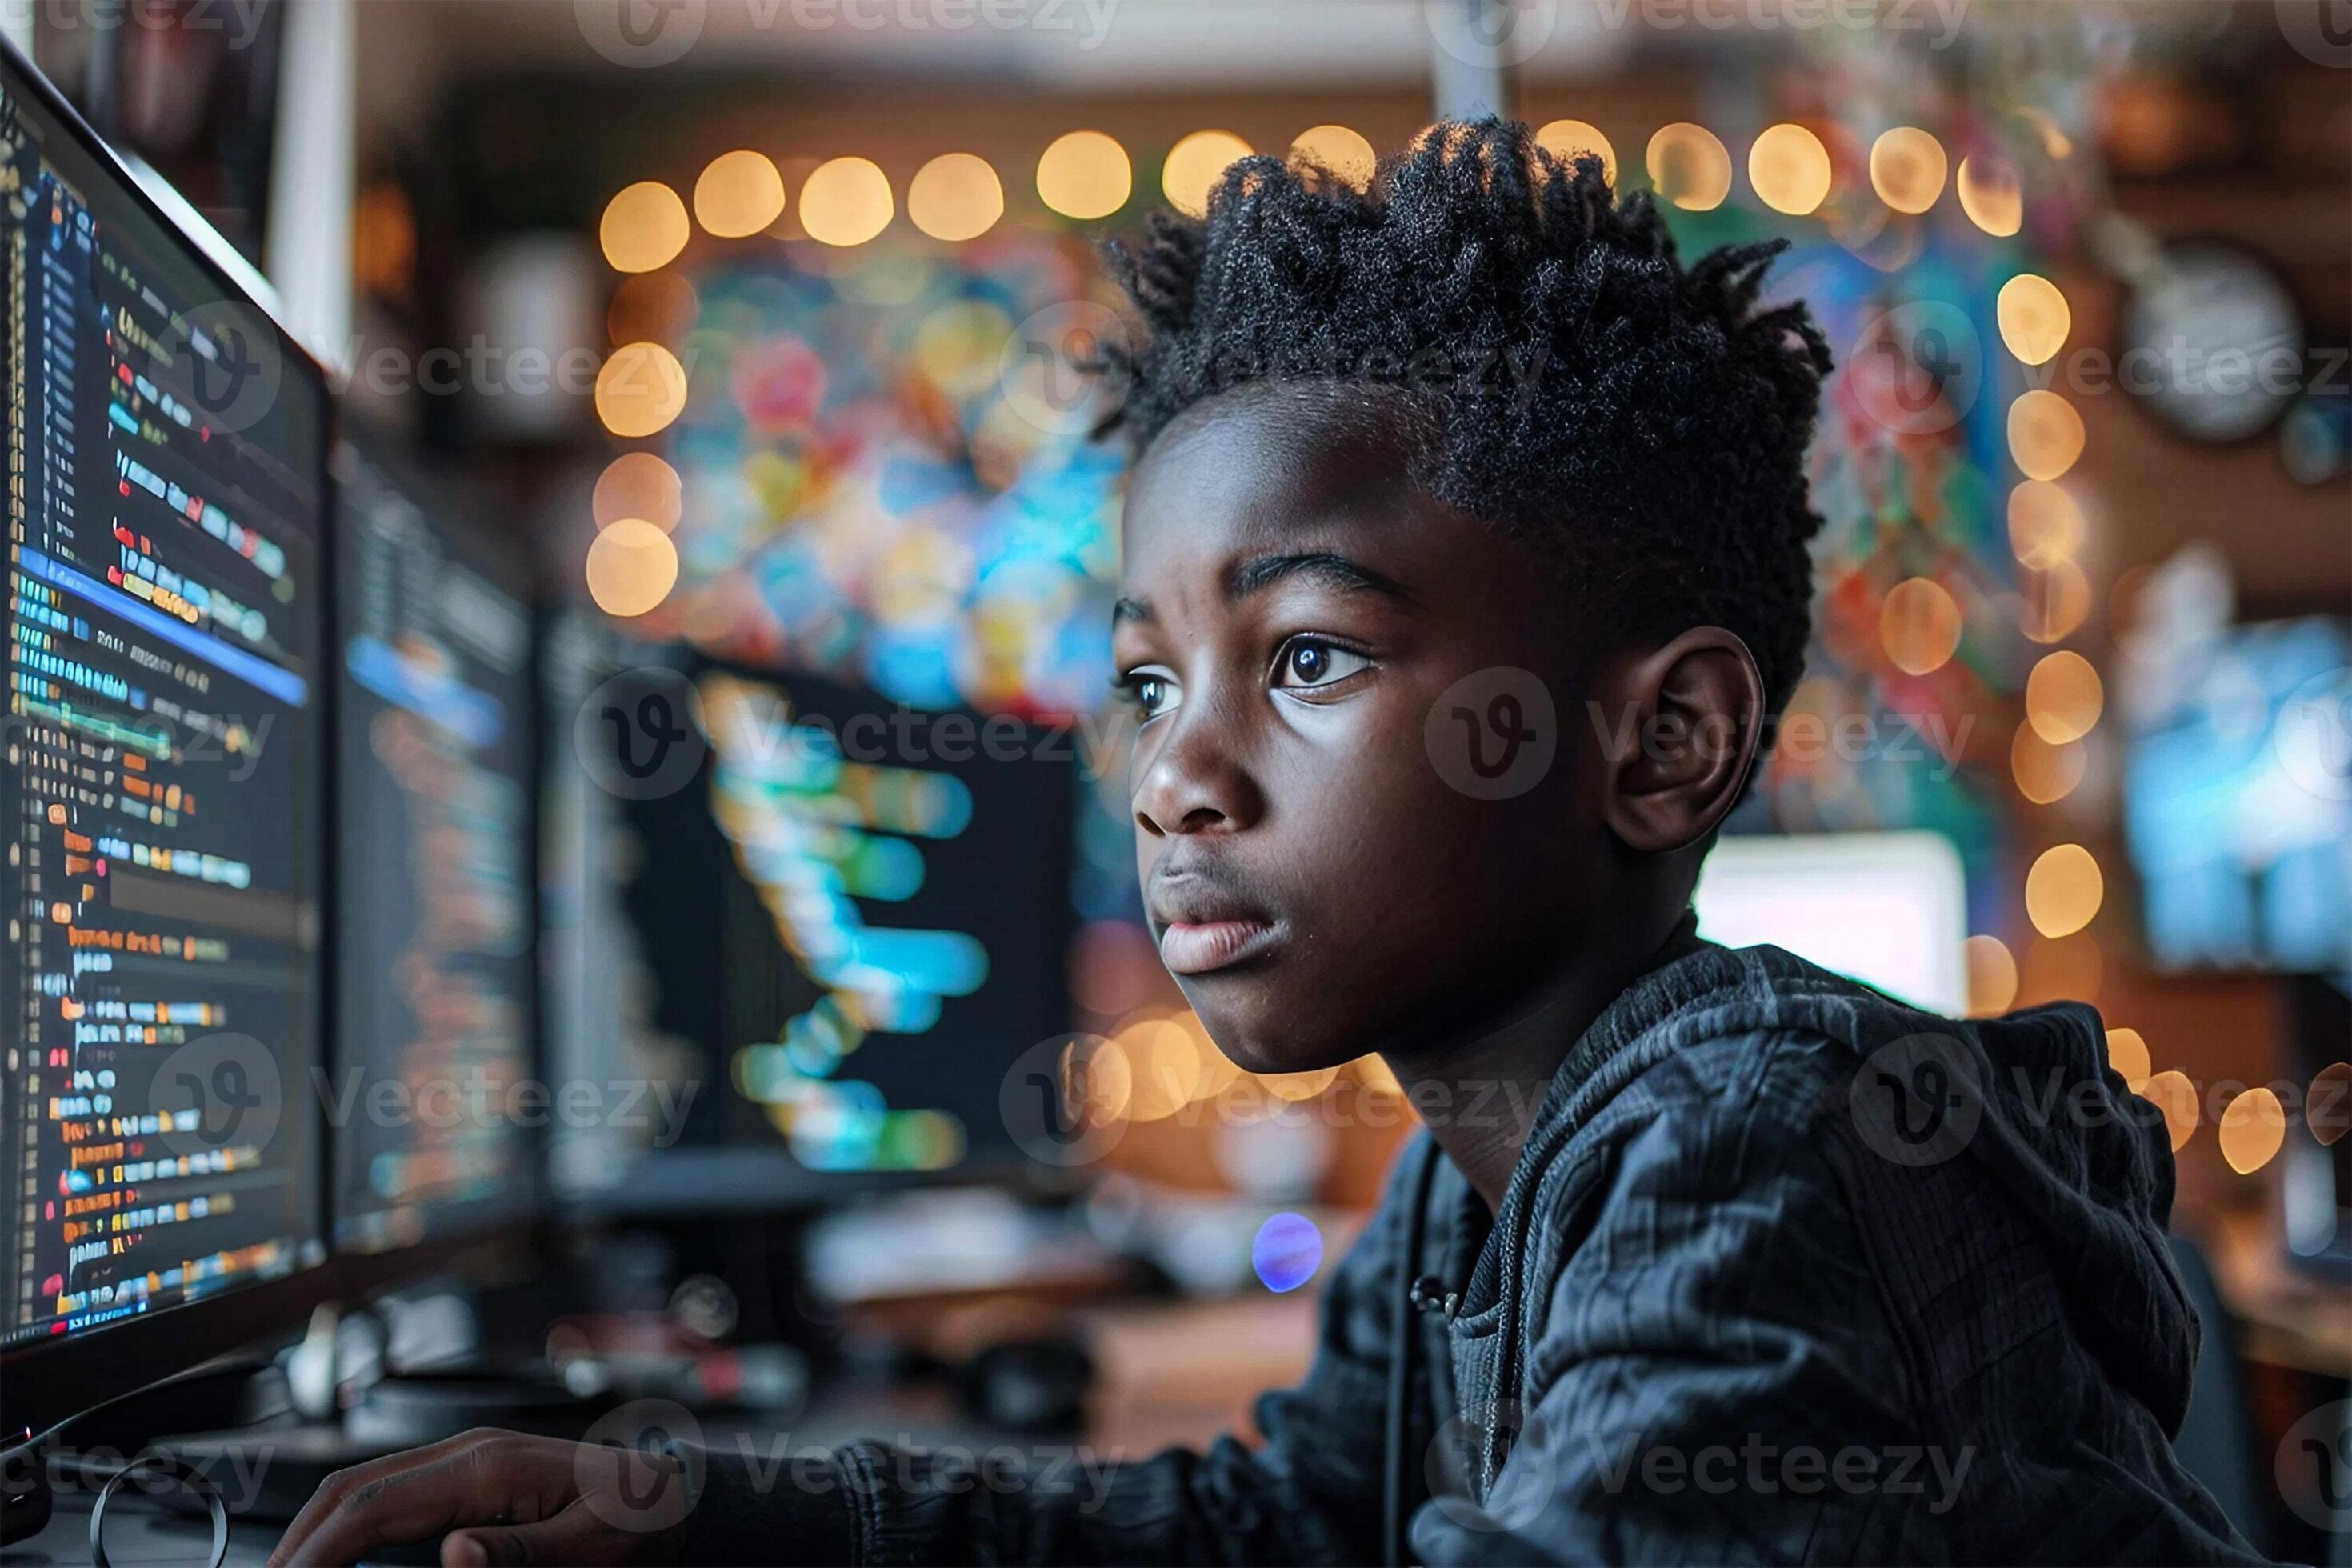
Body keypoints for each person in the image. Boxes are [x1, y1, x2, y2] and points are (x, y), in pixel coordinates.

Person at [270, 120, 2262, 1566]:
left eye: (1305, 654)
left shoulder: (1755, 1143)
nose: (1169, 779)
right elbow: (1289, 1520)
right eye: (1147, 682)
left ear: (1662, 740)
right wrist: (694, 1504)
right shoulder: (1481, 1175)